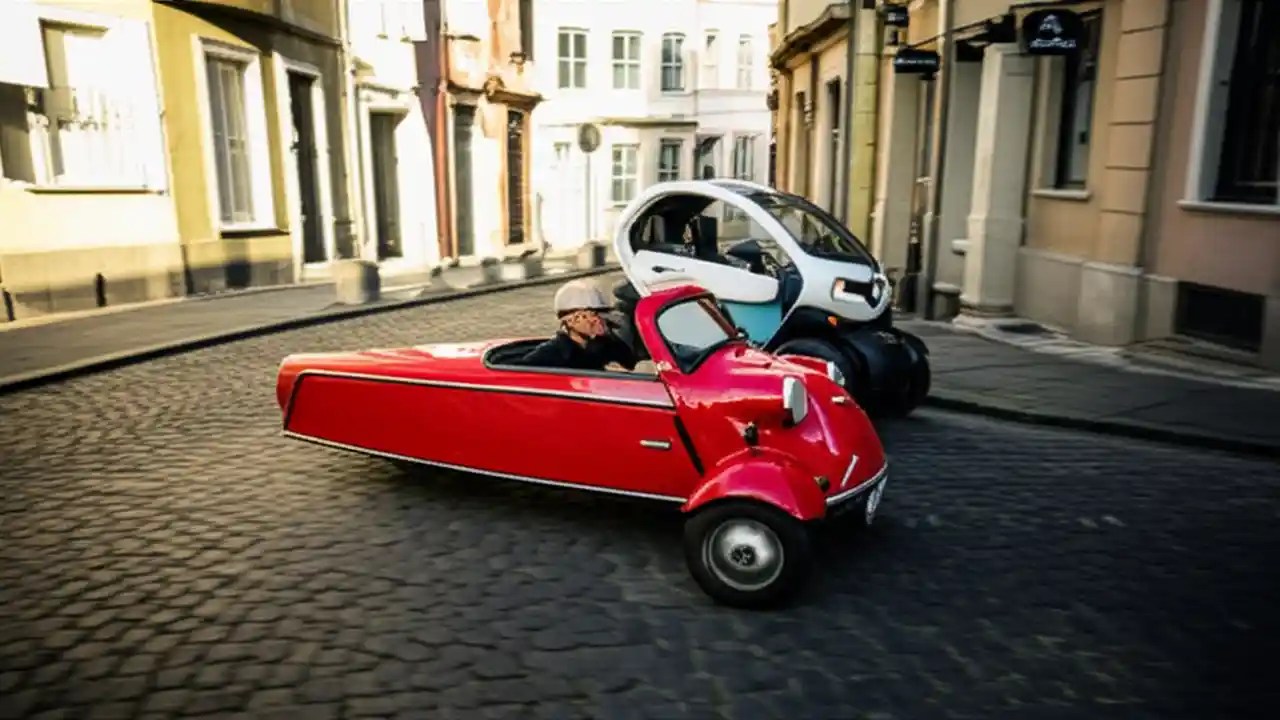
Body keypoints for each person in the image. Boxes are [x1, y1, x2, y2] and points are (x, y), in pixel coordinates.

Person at [517, 279, 638, 372]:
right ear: (570, 321)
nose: (597, 320)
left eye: (601, 314)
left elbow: (632, 367)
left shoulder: (609, 346)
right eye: (590, 315)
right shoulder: (550, 355)